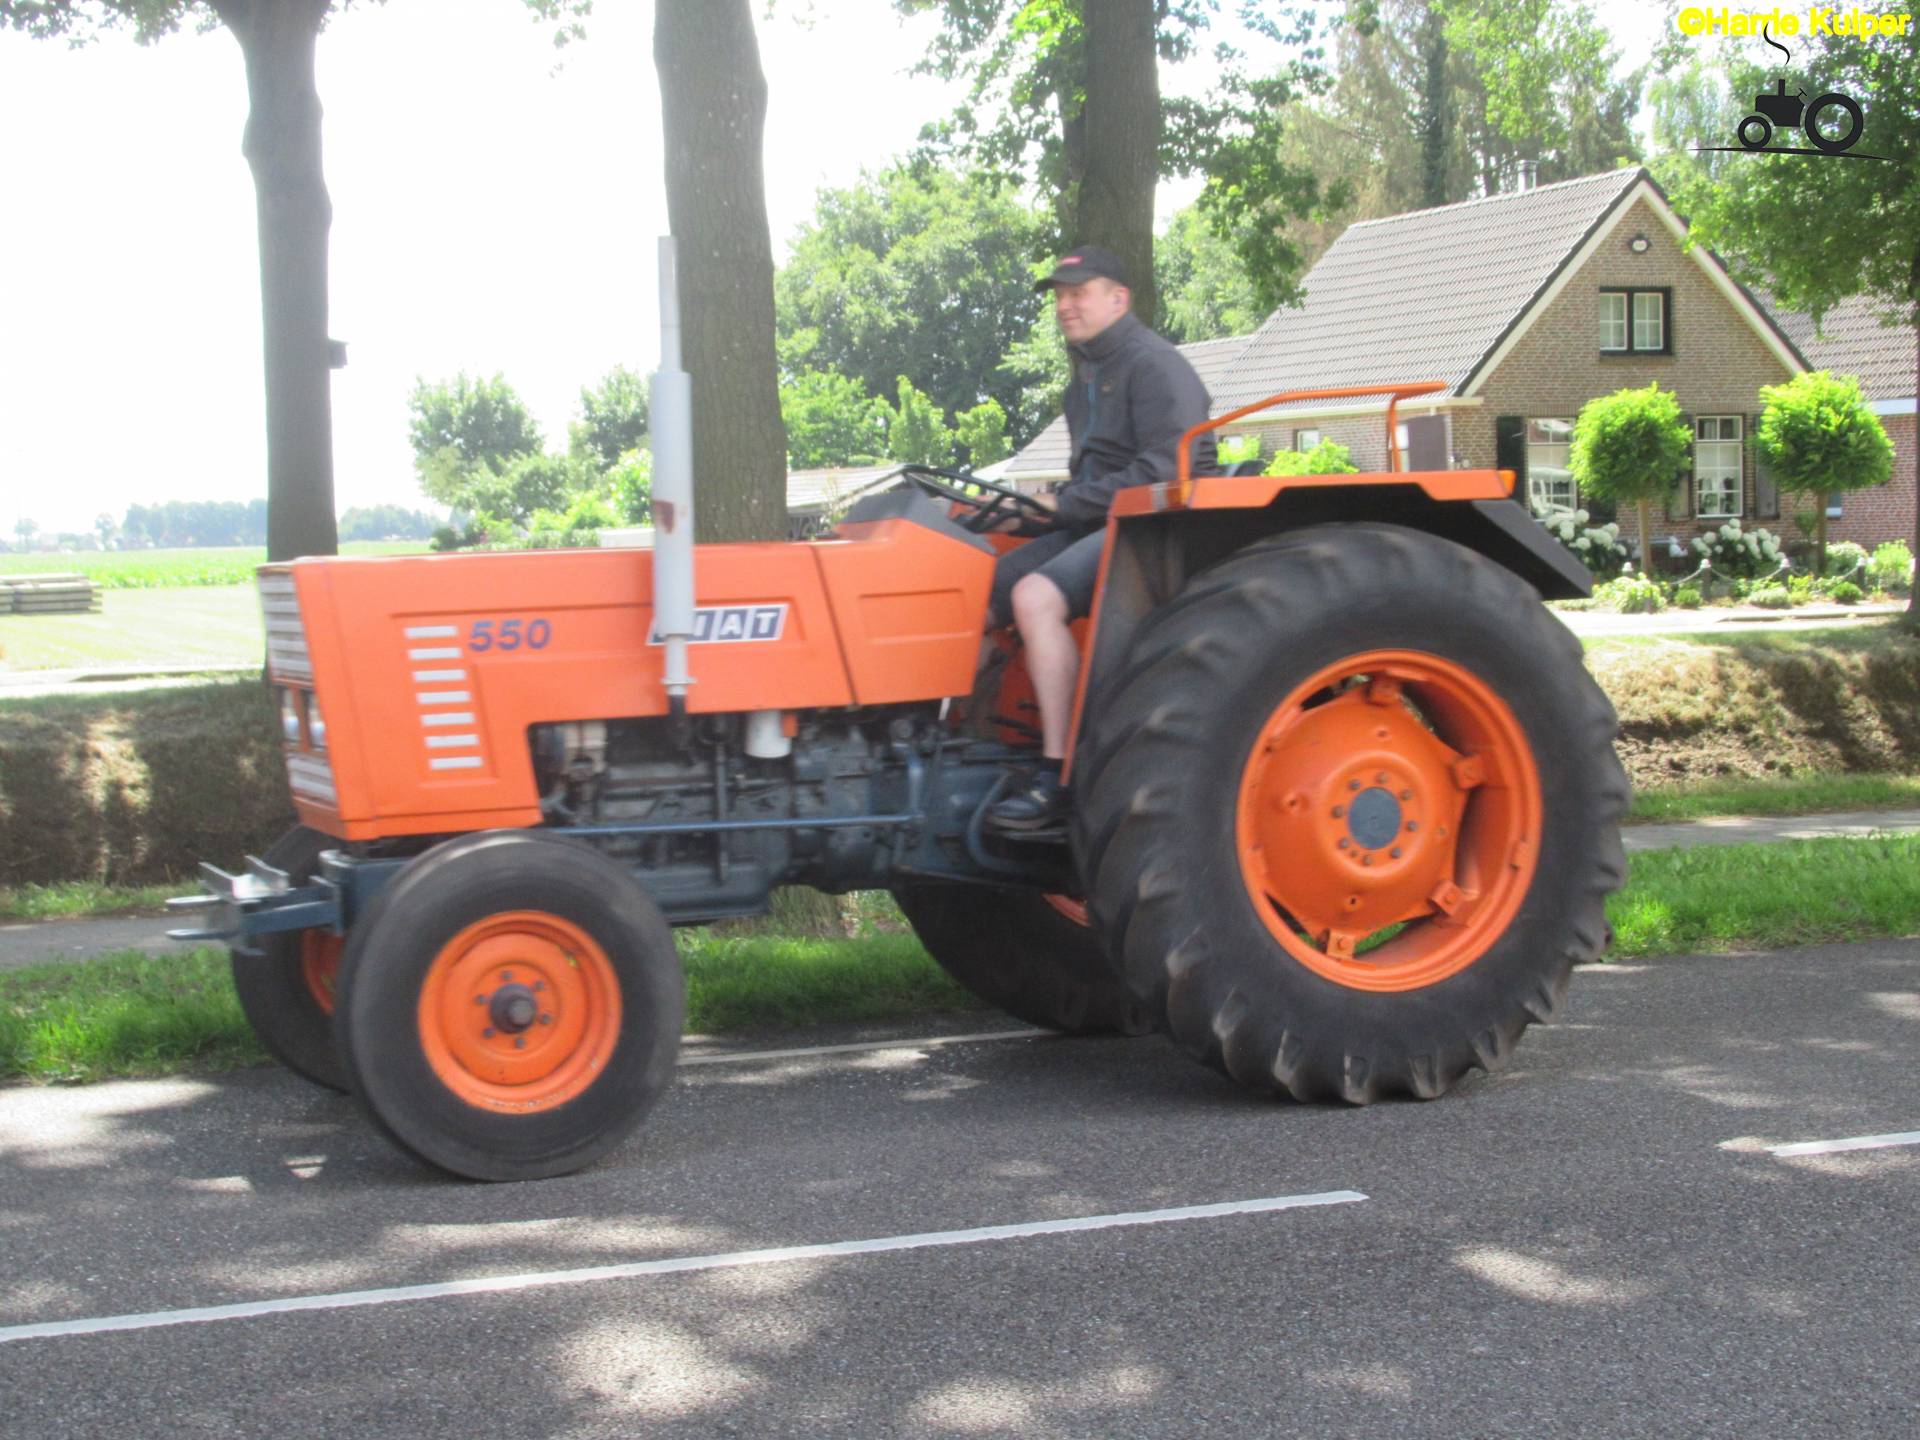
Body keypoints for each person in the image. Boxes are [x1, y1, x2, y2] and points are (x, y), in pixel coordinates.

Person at [985, 244, 1216, 832]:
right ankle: (976, 749)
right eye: (1060, 296)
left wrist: (1060, 505)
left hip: (1154, 525)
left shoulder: (1155, 365)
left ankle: (1057, 774)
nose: (1065, 306)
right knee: (972, 581)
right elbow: (1095, 476)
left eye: (1078, 293)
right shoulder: (1086, 375)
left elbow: (1168, 471)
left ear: (1119, 298)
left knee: (1035, 596)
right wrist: (1023, 511)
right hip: (1098, 517)